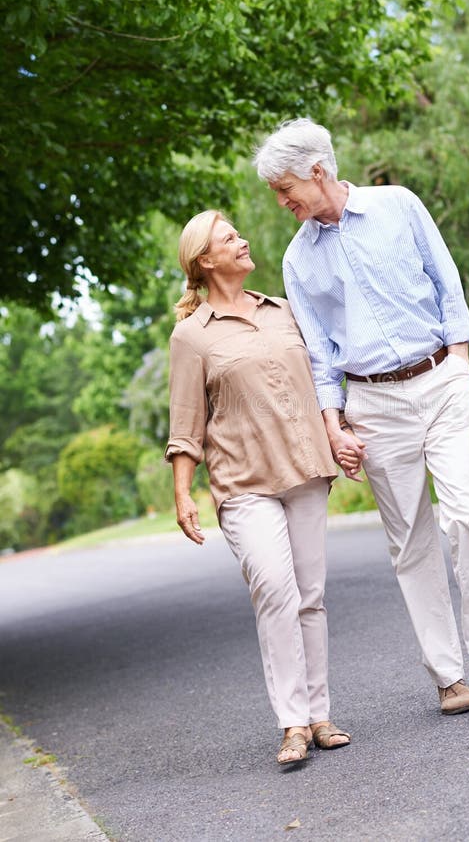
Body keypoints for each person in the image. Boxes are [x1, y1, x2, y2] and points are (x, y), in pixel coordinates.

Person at [254, 118, 469, 715]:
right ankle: (449, 675)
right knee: (410, 541)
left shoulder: (397, 205)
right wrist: (335, 423)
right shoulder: (298, 260)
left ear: (316, 171)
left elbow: (445, 276)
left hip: (440, 377)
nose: (281, 202)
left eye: (284, 189)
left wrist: (457, 355)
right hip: (372, 402)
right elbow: (320, 352)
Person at [164, 209, 354, 764]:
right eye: (230, 238)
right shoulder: (191, 337)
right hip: (243, 482)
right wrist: (183, 493)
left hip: (303, 469)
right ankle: (291, 723)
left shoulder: (285, 312)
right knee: (276, 589)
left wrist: (337, 431)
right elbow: (185, 424)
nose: (242, 240)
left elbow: (322, 378)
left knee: (310, 596)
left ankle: (319, 717)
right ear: (206, 259)